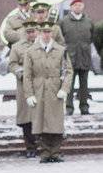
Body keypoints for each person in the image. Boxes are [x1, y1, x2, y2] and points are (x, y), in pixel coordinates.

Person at [23, 21, 73, 163]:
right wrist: (29, 94)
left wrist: (64, 89)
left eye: (49, 32)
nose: (46, 34)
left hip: (55, 89)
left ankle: (55, 152)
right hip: (39, 90)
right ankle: (45, 152)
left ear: (52, 33)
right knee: (41, 122)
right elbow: (27, 75)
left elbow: (68, 71)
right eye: (44, 32)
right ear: (39, 33)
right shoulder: (31, 51)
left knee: (55, 122)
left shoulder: (61, 50)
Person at [8, 19, 40, 158]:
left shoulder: (43, 44)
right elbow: (12, 64)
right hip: (24, 85)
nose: (30, 34)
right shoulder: (17, 47)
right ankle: (30, 147)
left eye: (33, 31)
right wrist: (20, 72)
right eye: (28, 32)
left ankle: (44, 145)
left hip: (41, 84)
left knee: (41, 116)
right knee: (27, 118)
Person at [59, 0, 94, 115]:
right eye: (75, 5)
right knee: (69, 84)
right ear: (71, 7)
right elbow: (59, 38)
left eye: (80, 5)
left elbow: (92, 37)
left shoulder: (88, 21)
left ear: (83, 7)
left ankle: (84, 107)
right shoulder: (64, 21)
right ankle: (69, 107)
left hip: (84, 57)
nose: (78, 7)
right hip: (70, 58)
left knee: (84, 85)